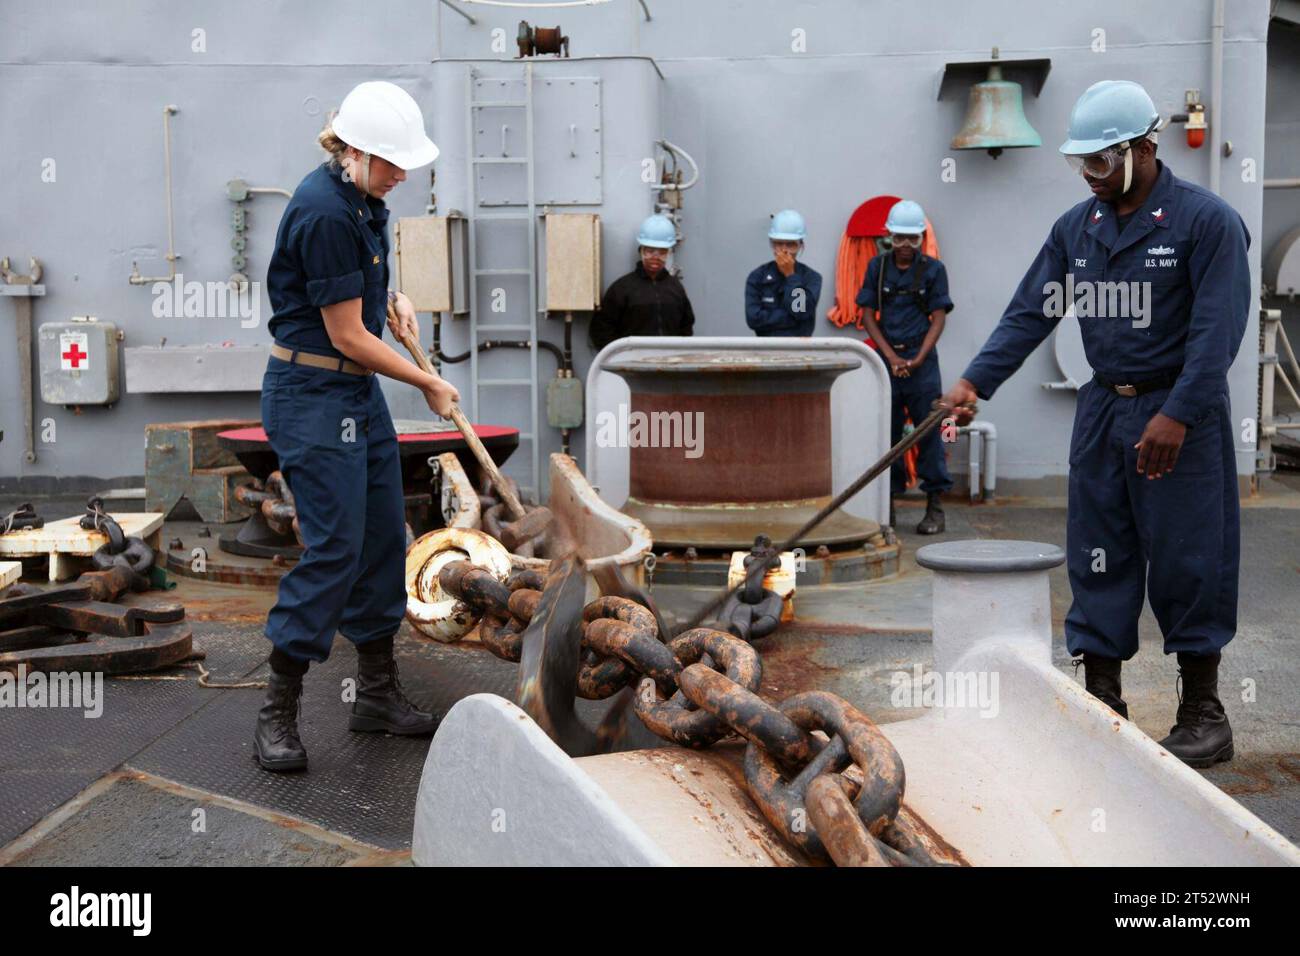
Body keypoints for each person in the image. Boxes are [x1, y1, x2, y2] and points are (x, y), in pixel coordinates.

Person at [940, 80, 1250, 768]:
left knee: (1188, 556)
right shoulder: (1077, 228)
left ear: (1143, 149)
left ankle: (1205, 712)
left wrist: (1177, 414)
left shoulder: (1207, 224)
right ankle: (1102, 699)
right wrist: (973, 382)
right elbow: (1031, 312)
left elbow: (1216, 335)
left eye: (1101, 162)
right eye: (1082, 163)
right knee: (1098, 550)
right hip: (1102, 408)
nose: (1089, 174)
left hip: (1179, 416)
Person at [254, 80, 461, 772]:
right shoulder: (324, 213)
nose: (404, 174)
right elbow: (344, 335)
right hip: (312, 393)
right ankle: (277, 710)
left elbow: (361, 304)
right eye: (395, 162)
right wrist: (429, 380)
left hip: (355, 396)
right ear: (358, 152)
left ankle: (375, 693)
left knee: (380, 535)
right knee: (335, 547)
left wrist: (392, 301)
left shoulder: (364, 201)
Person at [856, 200, 954, 534]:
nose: (906, 245)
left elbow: (938, 318)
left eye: (913, 238)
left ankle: (935, 507)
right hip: (887, 361)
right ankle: (889, 505)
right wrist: (892, 358)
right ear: (888, 236)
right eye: (899, 238)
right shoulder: (877, 268)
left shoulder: (933, 270)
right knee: (888, 434)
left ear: (921, 238)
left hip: (922, 363)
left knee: (929, 432)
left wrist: (917, 359)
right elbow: (867, 315)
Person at [589, 214, 695, 350]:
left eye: (662, 252)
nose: (655, 257)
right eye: (650, 251)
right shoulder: (621, 289)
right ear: (641, 251)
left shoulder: (676, 288)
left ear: (668, 253)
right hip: (632, 365)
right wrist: (620, 358)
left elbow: (686, 326)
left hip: (670, 363)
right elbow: (601, 329)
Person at [744, 209, 823, 337]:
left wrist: (791, 275)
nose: (784, 251)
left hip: (800, 351)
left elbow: (801, 312)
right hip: (767, 350)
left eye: (791, 245)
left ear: (801, 246)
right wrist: (793, 319)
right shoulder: (757, 277)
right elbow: (754, 319)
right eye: (779, 244)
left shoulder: (812, 277)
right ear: (772, 245)